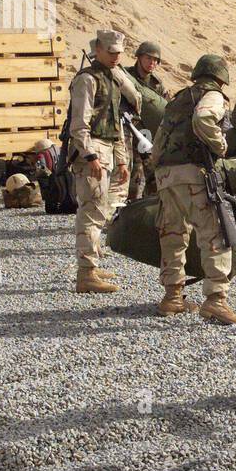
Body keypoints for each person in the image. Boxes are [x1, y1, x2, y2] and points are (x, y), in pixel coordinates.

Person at [151, 54, 236, 326]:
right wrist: (221, 146)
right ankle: (216, 300)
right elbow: (204, 120)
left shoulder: (177, 100)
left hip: (166, 175)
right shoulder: (213, 97)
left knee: (172, 234)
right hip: (194, 174)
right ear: (220, 78)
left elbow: (158, 141)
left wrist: (157, 171)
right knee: (214, 234)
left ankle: (172, 296)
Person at [67, 30, 135, 294]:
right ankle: (86, 274)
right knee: (91, 212)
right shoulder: (87, 80)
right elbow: (79, 124)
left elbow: (115, 123)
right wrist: (90, 155)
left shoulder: (112, 78)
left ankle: (92, 265)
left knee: (101, 210)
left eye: (119, 53)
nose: (116, 57)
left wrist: (121, 161)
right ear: (98, 50)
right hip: (92, 153)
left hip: (106, 151)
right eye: (111, 52)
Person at [128, 41, 169, 201]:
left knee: (153, 178)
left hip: (149, 136)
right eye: (148, 58)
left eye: (155, 60)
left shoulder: (157, 85)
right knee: (132, 177)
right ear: (139, 57)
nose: (152, 63)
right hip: (130, 134)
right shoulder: (126, 77)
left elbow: (164, 110)